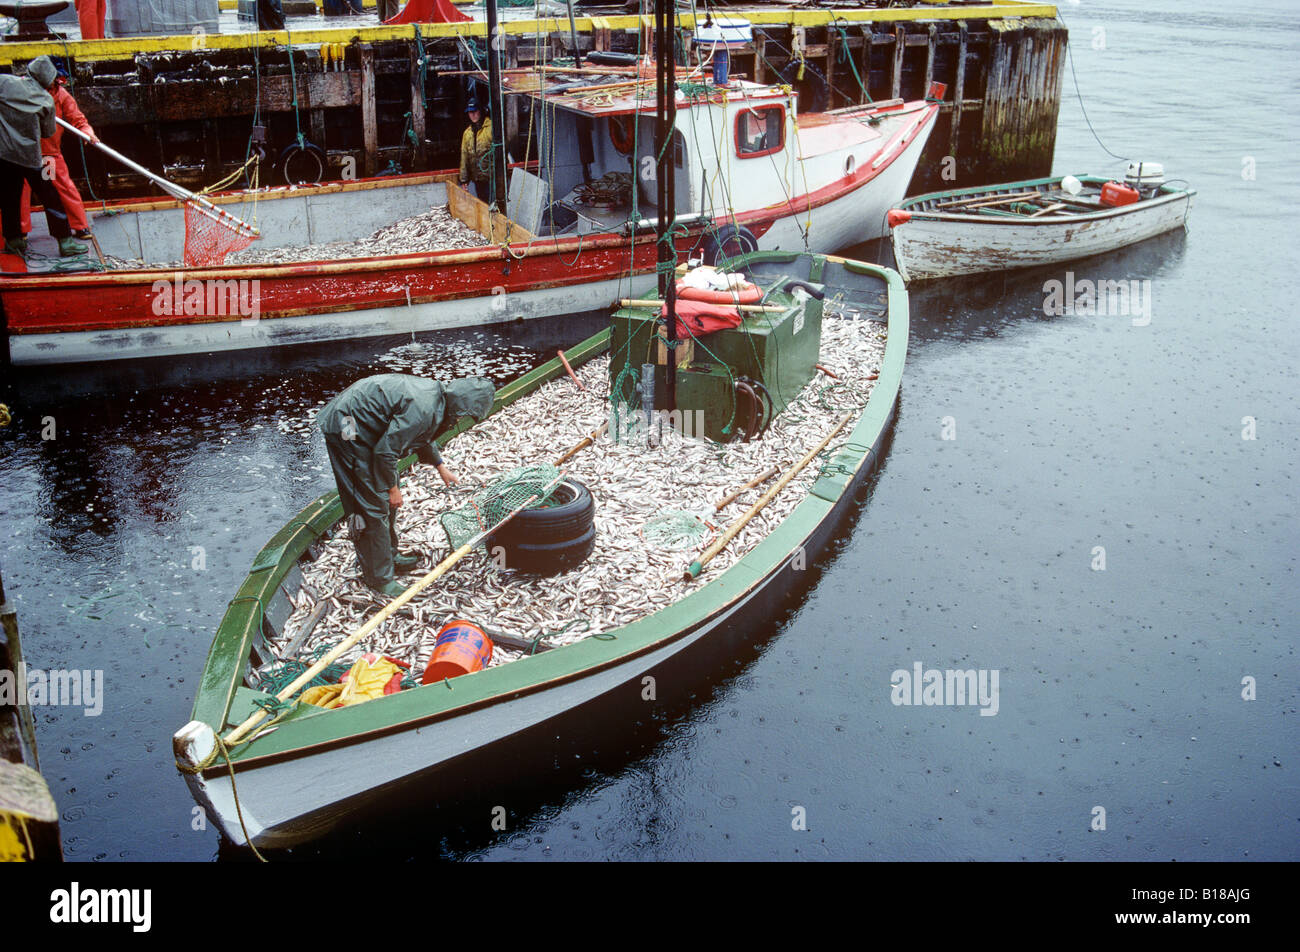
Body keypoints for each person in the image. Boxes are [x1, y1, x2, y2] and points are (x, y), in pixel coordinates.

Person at [317, 374, 495, 597]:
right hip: (347, 424)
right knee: (371, 501)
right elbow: (385, 451)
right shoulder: (424, 409)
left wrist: (439, 465)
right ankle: (379, 579)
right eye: (466, 414)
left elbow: (421, 436)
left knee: (382, 490)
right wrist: (392, 489)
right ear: (461, 404)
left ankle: (389, 556)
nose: (462, 419)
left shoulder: (439, 399)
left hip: (361, 421)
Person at [0, 60, 85, 258]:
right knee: (50, 196)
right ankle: (65, 241)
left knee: (9, 197)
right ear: (48, 80)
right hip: (34, 159)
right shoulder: (46, 101)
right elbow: (48, 132)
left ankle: (13, 241)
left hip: (4, 156)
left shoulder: (5, 83)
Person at [20, 59, 97, 242]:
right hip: (24, 154)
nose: (58, 82)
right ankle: (19, 231)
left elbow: (78, 120)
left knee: (58, 187)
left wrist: (87, 132)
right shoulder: (20, 91)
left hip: (48, 156)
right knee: (21, 190)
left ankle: (79, 226)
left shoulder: (61, 95)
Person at [458, 99, 493, 203]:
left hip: (492, 179)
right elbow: (464, 157)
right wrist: (464, 180)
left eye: (474, 111)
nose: (472, 115)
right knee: (483, 203)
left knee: (494, 207)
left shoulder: (492, 128)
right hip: (478, 179)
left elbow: (502, 151)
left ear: (480, 111)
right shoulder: (467, 133)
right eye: (470, 112)